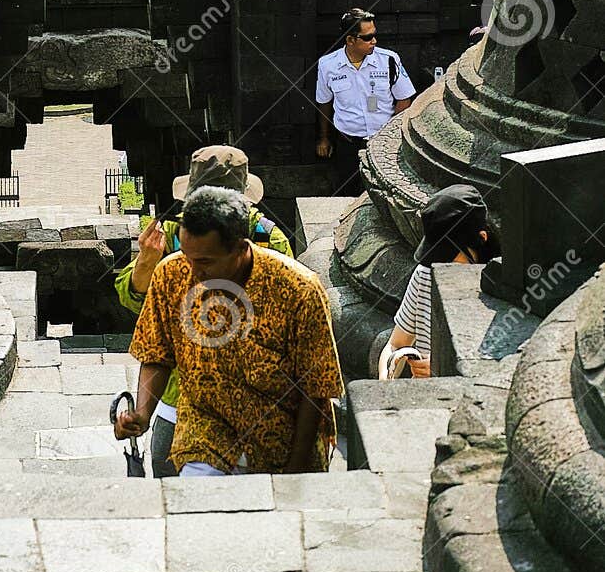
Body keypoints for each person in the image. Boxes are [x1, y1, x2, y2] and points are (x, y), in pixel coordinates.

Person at [116, 186, 342, 476]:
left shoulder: (299, 289)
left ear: (240, 247)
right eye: (187, 256)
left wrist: (295, 471)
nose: (193, 271)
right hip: (204, 436)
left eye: (205, 262)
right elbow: (157, 353)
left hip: (281, 442)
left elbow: (316, 389)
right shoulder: (171, 274)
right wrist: (142, 414)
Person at [113, 146, 292, 478]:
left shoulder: (269, 240)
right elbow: (137, 307)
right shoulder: (169, 235)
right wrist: (146, 265)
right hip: (177, 400)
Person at [386, 184, 500, 377]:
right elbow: (395, 344)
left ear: (481, 239)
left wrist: (443, 366)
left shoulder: (500, 297)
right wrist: (385, 381)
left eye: (447, 257)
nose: (440, 268)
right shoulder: (425, 274)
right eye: (435, 257)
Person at [315, 8, 416, 197]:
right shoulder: (327, 65)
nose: (374, 42)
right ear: (350, 40)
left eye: (374, 35)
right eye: (368, 37)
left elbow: (404, 98)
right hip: (348, 142)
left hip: (382, 142)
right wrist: (324, 138)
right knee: (346, 194)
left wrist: (390, 134)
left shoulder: (389, 60)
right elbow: (324, 103)